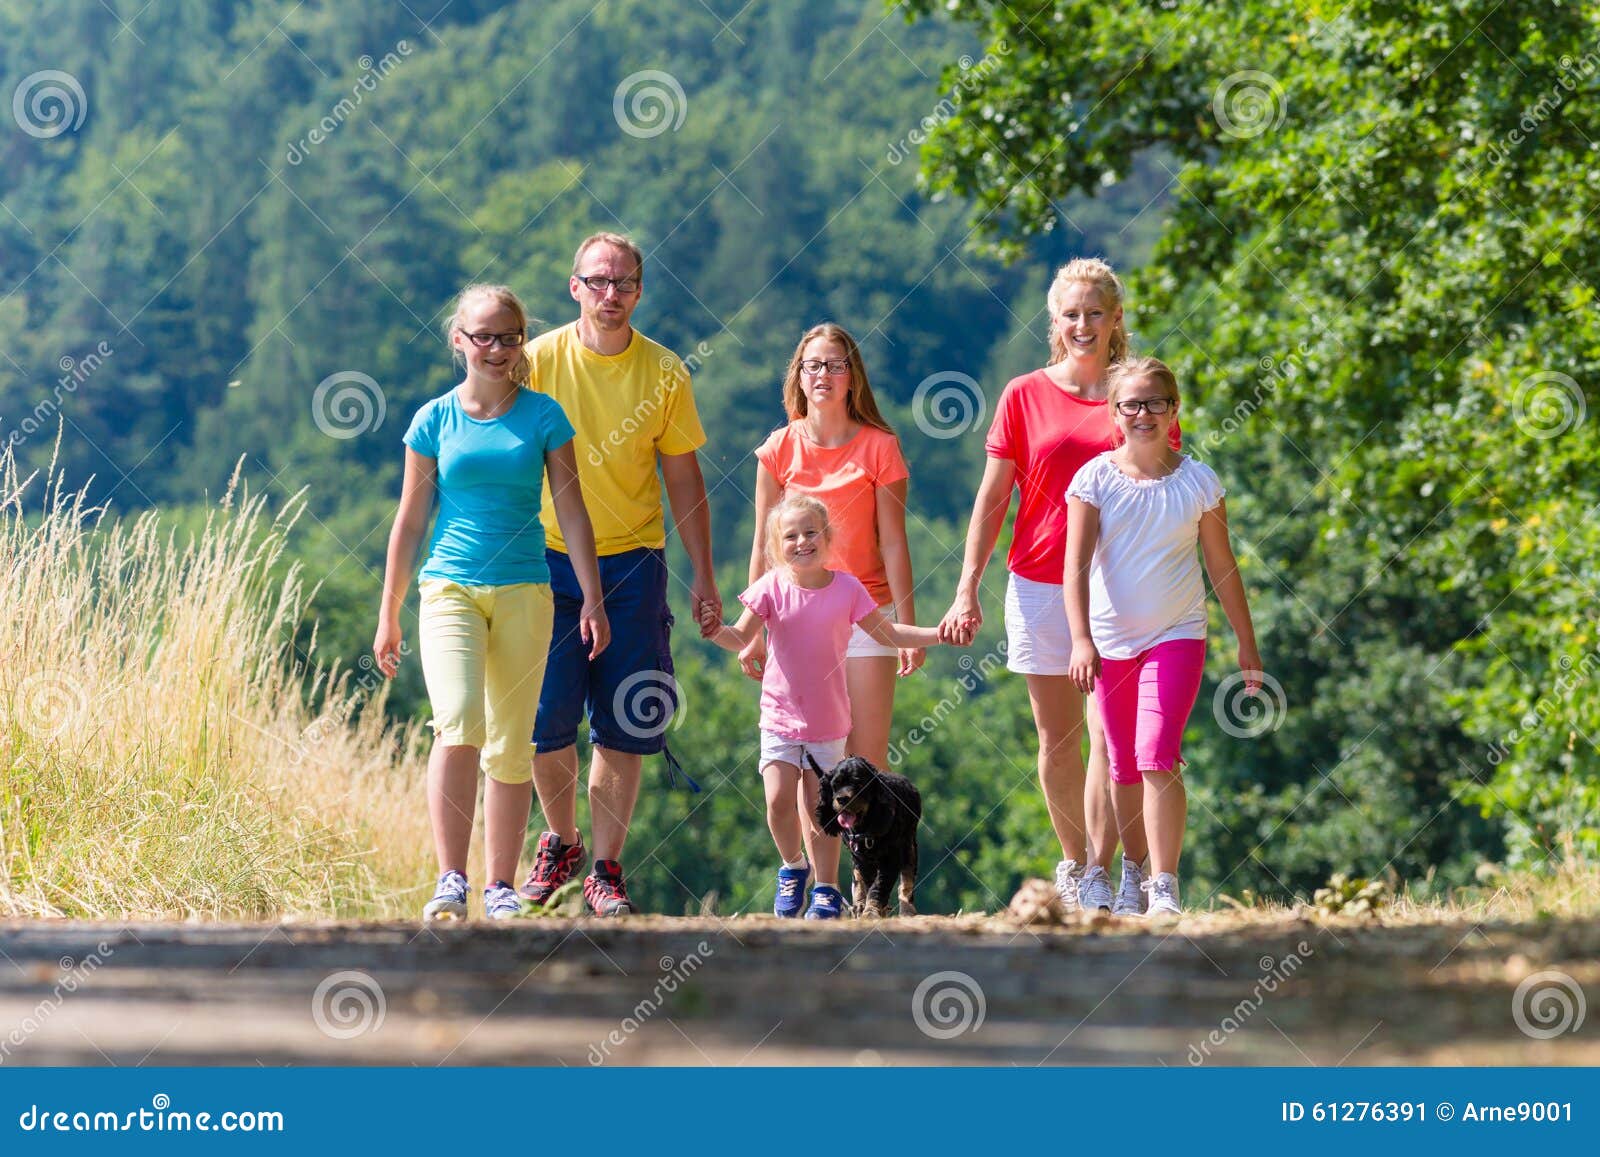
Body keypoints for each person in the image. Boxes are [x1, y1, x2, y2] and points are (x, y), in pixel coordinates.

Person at [938, 258, 1180, 915]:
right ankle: (1077, 865)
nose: (1083, 324)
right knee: (1058, 739)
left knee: (1113, 736)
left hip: (1120, 590)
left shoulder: (1136, 394)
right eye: (1071, 313)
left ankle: (1118, 870)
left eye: (1095, 312)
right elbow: (992, 500)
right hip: (1039, 583)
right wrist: (967, 588)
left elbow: (1167, 486)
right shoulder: (1023, 394)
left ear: (1115, 318)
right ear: (1053, 320)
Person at [374, 284, 609, 921]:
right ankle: (451, 878)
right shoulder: (433, 420)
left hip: (526, 590)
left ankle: (499, 885)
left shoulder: (543, 416)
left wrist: (592, 597)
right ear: (460, 341)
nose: (498, 348)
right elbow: (409, 521)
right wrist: (389, 612)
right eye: (485, 336)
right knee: (457, 724)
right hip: (449, 587)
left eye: (509, 337)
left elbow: (572, 510)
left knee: (511, 743)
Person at [518, 232, 718, 917]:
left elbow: (685, 478)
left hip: (634, 558)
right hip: (545, 559)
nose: (611, 295)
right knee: (545, 720)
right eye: (598, 282)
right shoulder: (537, 359)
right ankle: (561, 838)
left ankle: (605, 866)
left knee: (626, 720)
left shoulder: (664, 372)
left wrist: (705, 577)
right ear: (573, 285)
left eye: (624, 284)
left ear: (640, 290)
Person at [1064, 357, 1260, 917]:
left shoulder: (1199, 482)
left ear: (1174, 409)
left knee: (1157, 755)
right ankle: (1126, 873)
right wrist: (1081, 640)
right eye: (1131, 404)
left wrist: (1246, 642)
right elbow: (1074, 566)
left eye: (1155, 403)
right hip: (1109, 643)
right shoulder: (1094, 480)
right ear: (1114, 413)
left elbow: (1222, 567)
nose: (1143, 414)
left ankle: (1163, 884)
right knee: (1121, 763)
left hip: (1177, 636)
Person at [701, 494, 954, 918]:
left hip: (829, 725)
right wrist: (713, 630)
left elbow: (888, 634)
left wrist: (939, 634)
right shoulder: (771, 588)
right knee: (779, 801)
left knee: (826, 814)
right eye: (791, 535)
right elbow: (739, 637)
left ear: (827, 537)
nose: (802, 541)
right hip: (780, 719)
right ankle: (792, 868)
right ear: (776, 545)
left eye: (810, 532)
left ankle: (826, 888)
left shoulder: (848, 589)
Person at [745, 324, 919, 890]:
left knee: (862, 761)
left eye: (835, 365)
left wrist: (907, 627)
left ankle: (863, 886)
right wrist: (752, 630)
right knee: (803, 761)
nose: (823, 375)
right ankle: (819, 884)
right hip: (796, 619)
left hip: (867, 612)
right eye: (812, 365)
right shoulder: (778, 449)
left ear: (853, 378)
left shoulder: (879, 447)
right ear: (798, 375)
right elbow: (763, 544)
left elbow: (894, 540)